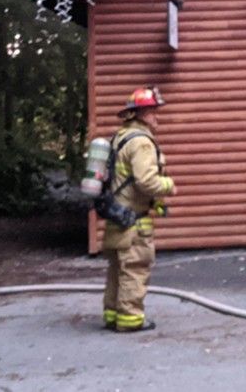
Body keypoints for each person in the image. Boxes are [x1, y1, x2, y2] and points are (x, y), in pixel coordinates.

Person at [102, 86, 176, 332]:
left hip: (116, 216)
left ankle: (113, 314)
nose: (157, 116)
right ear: (142, 113)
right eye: (154, 111)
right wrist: (168, 185)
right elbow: (146, 181)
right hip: (134, 222)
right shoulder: (142, 142)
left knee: (117, 270)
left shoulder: (120, 137)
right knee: (134, 268)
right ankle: (131, 319)